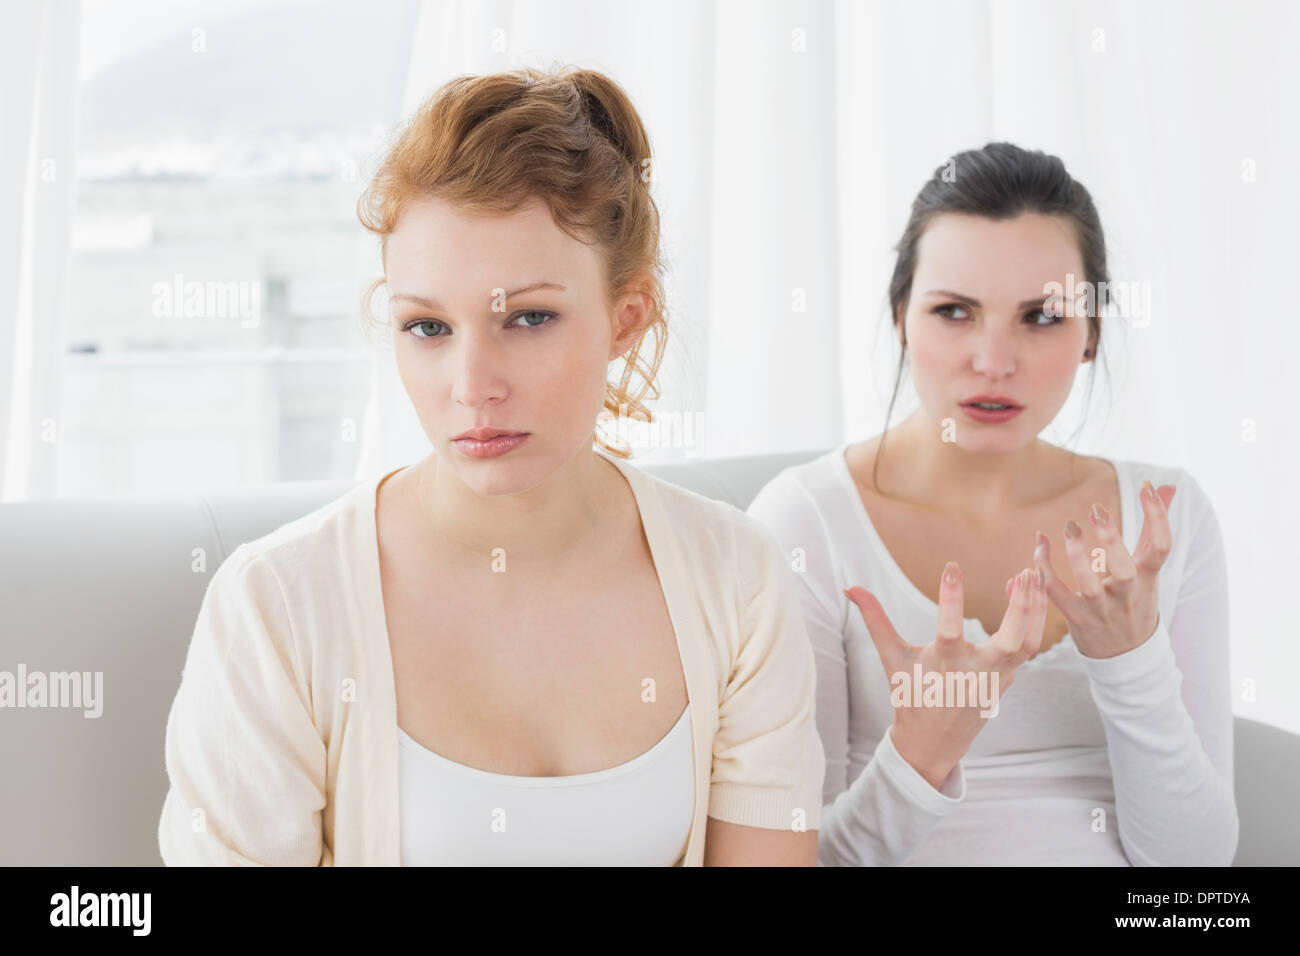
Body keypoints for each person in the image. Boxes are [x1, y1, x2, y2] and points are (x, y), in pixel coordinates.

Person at [158, 66, 824, 866]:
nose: (473, 387)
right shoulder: (276, 608)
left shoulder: (738, 580)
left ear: (626, 318)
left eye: (529, 317)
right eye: (428, 328)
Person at [747, 142, 1237, 866]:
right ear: (900, 318)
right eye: (954, 312)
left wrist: (1132, 660)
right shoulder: (804, 524)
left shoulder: (1168, 518)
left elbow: (1194, 879)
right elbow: (790, 861)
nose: (994, 360)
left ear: (1092, 333)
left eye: (1041, 317)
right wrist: (919, 753)